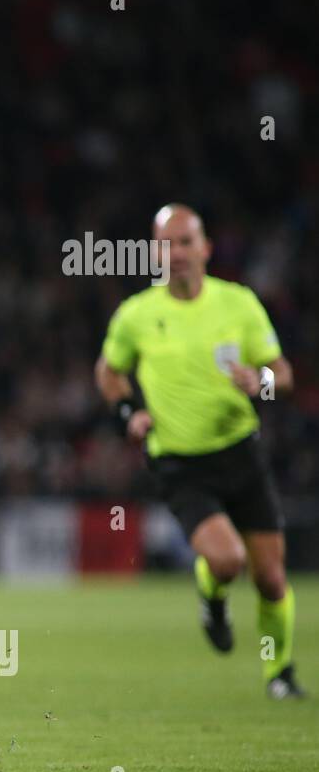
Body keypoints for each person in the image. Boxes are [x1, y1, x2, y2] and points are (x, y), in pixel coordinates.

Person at [96, 203, 303, 698]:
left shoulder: (238, 304)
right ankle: (212, 593)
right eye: (166, 244)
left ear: (206, 248)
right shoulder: (137, 315)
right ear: (154, 252)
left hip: (240, 452)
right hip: (179, 463)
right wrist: (129, 414)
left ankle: (280, 675)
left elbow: (286, 376)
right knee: (228, 560)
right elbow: (108, 371)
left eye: (186, 242)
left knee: (272, 579)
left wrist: (262, 384)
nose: (177, 253)